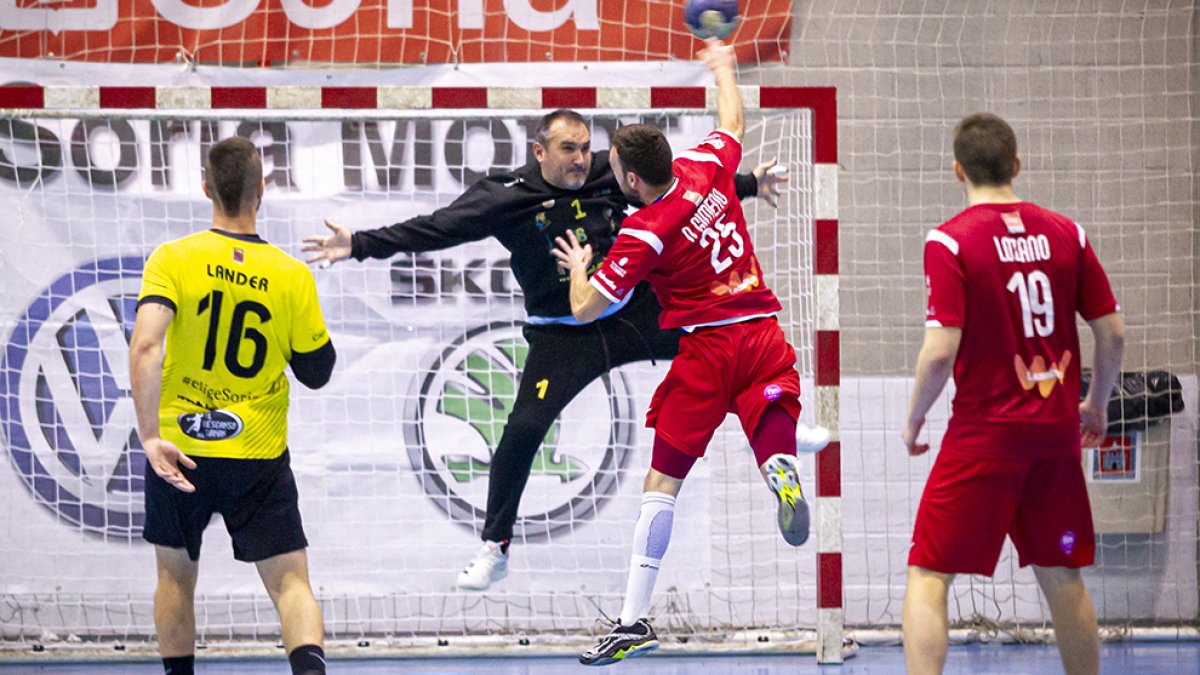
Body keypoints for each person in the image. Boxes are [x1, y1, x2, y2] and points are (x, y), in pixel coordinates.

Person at [302, 108, 795, 591]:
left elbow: (684, 192)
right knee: (522, 430)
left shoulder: (609, 172)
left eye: (585, 148)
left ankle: (776, 421)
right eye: (568, 149)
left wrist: (748, 183)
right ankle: (494, 549)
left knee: (723, 341)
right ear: (539, 152)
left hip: (632, 313)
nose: (581, 159)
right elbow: (436, 228)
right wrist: (358, 244)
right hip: (563, 335)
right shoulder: (505, 196)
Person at [553, 38, 813, 666]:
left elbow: (585, 309)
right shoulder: (707, 164)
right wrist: (723, 67)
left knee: (661, 484)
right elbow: (734, 122)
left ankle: (631, 622)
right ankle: (778, 464)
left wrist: (579, 266)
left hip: (707, 351)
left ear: (630, 180)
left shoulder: (645, 231)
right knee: (770, 408)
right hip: (762, 333)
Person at [900, 113, 1124, 675]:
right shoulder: (1068, 234)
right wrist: (1096, 405)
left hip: (984, 437)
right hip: (1054, 437)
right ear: (1016, 164)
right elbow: (1113, 333)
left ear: (958, 170)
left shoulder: (950, 240)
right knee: (1063, 574)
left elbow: (939, 352)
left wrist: (914, 419)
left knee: (929, 574)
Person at [130, 136, 337, 675]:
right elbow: (318, 372)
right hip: (257, 453)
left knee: (174, 576)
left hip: (179, 448)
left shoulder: (173, 258)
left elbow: (147, 345)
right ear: (261, 189)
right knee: (291, 582)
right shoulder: (291, 275)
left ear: (206, 188)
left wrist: (150, 436)